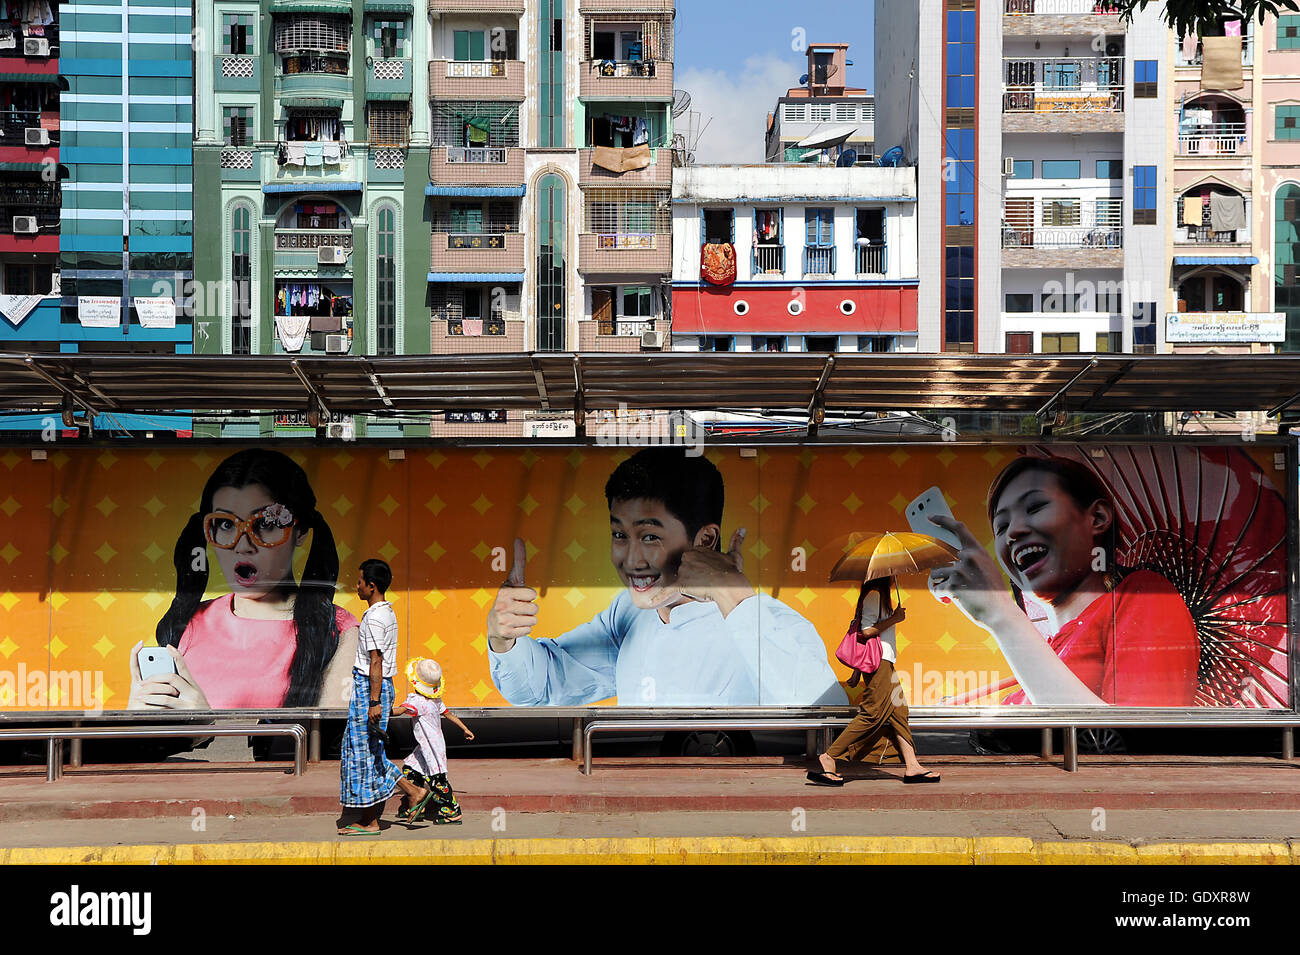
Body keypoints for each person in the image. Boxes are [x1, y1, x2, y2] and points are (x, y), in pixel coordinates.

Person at [487, 447, 846, 706]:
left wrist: (732, 595)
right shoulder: (627, 615)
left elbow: (825, 712)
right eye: (619, 535)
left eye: (649, 537)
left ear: (705, 539)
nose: (631, 560)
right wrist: (503, 640)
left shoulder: (764, 620)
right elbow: (543, 687)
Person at [929, 455, 1200, 706]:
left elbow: (1128, 741)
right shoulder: (1043, 652)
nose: (1014, 531)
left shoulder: (1144, 595)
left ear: (1098, 518)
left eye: (1035, 507)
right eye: (1001, 526)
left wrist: (1000, 614)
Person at [128, 448, 359, 710]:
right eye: (226, 524)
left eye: (265, 524)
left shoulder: (338, 630)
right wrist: (138, 714)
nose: (243, 545)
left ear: (301, 532)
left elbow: (332, 741)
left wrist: (206, 723)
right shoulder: (186, 623)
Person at [808, 576, 939, 785]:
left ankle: (912, 766)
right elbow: (866, 632)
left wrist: (857, 672)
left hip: (884, 663)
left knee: (899, 711)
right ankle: (829, 756)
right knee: (872, 713)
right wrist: (895, 618)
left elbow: (866, 643)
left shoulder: (880, 597)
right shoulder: (875, 595)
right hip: (881, 665)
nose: (897, 577)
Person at [338, 558, 429, 835]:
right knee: (369, 753)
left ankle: (371, 821)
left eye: (360, 581)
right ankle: (413, 792)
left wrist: (374, 702)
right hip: (375, 688)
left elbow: (375, 661)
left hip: (370, 689)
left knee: (362, 754)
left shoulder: (376, 618)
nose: (357, 587)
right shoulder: (384, 613)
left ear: (371, 585)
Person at [393, 657, 474, 824]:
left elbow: (399, 711)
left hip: (431, 749)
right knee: (410, 770)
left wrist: (380, 708)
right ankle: (416, 805)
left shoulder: (416, 701)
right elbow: (449, 714)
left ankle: (452, 811)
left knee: (438, 781)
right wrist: (464, 728)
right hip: (428, 746)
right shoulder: (436, 700)